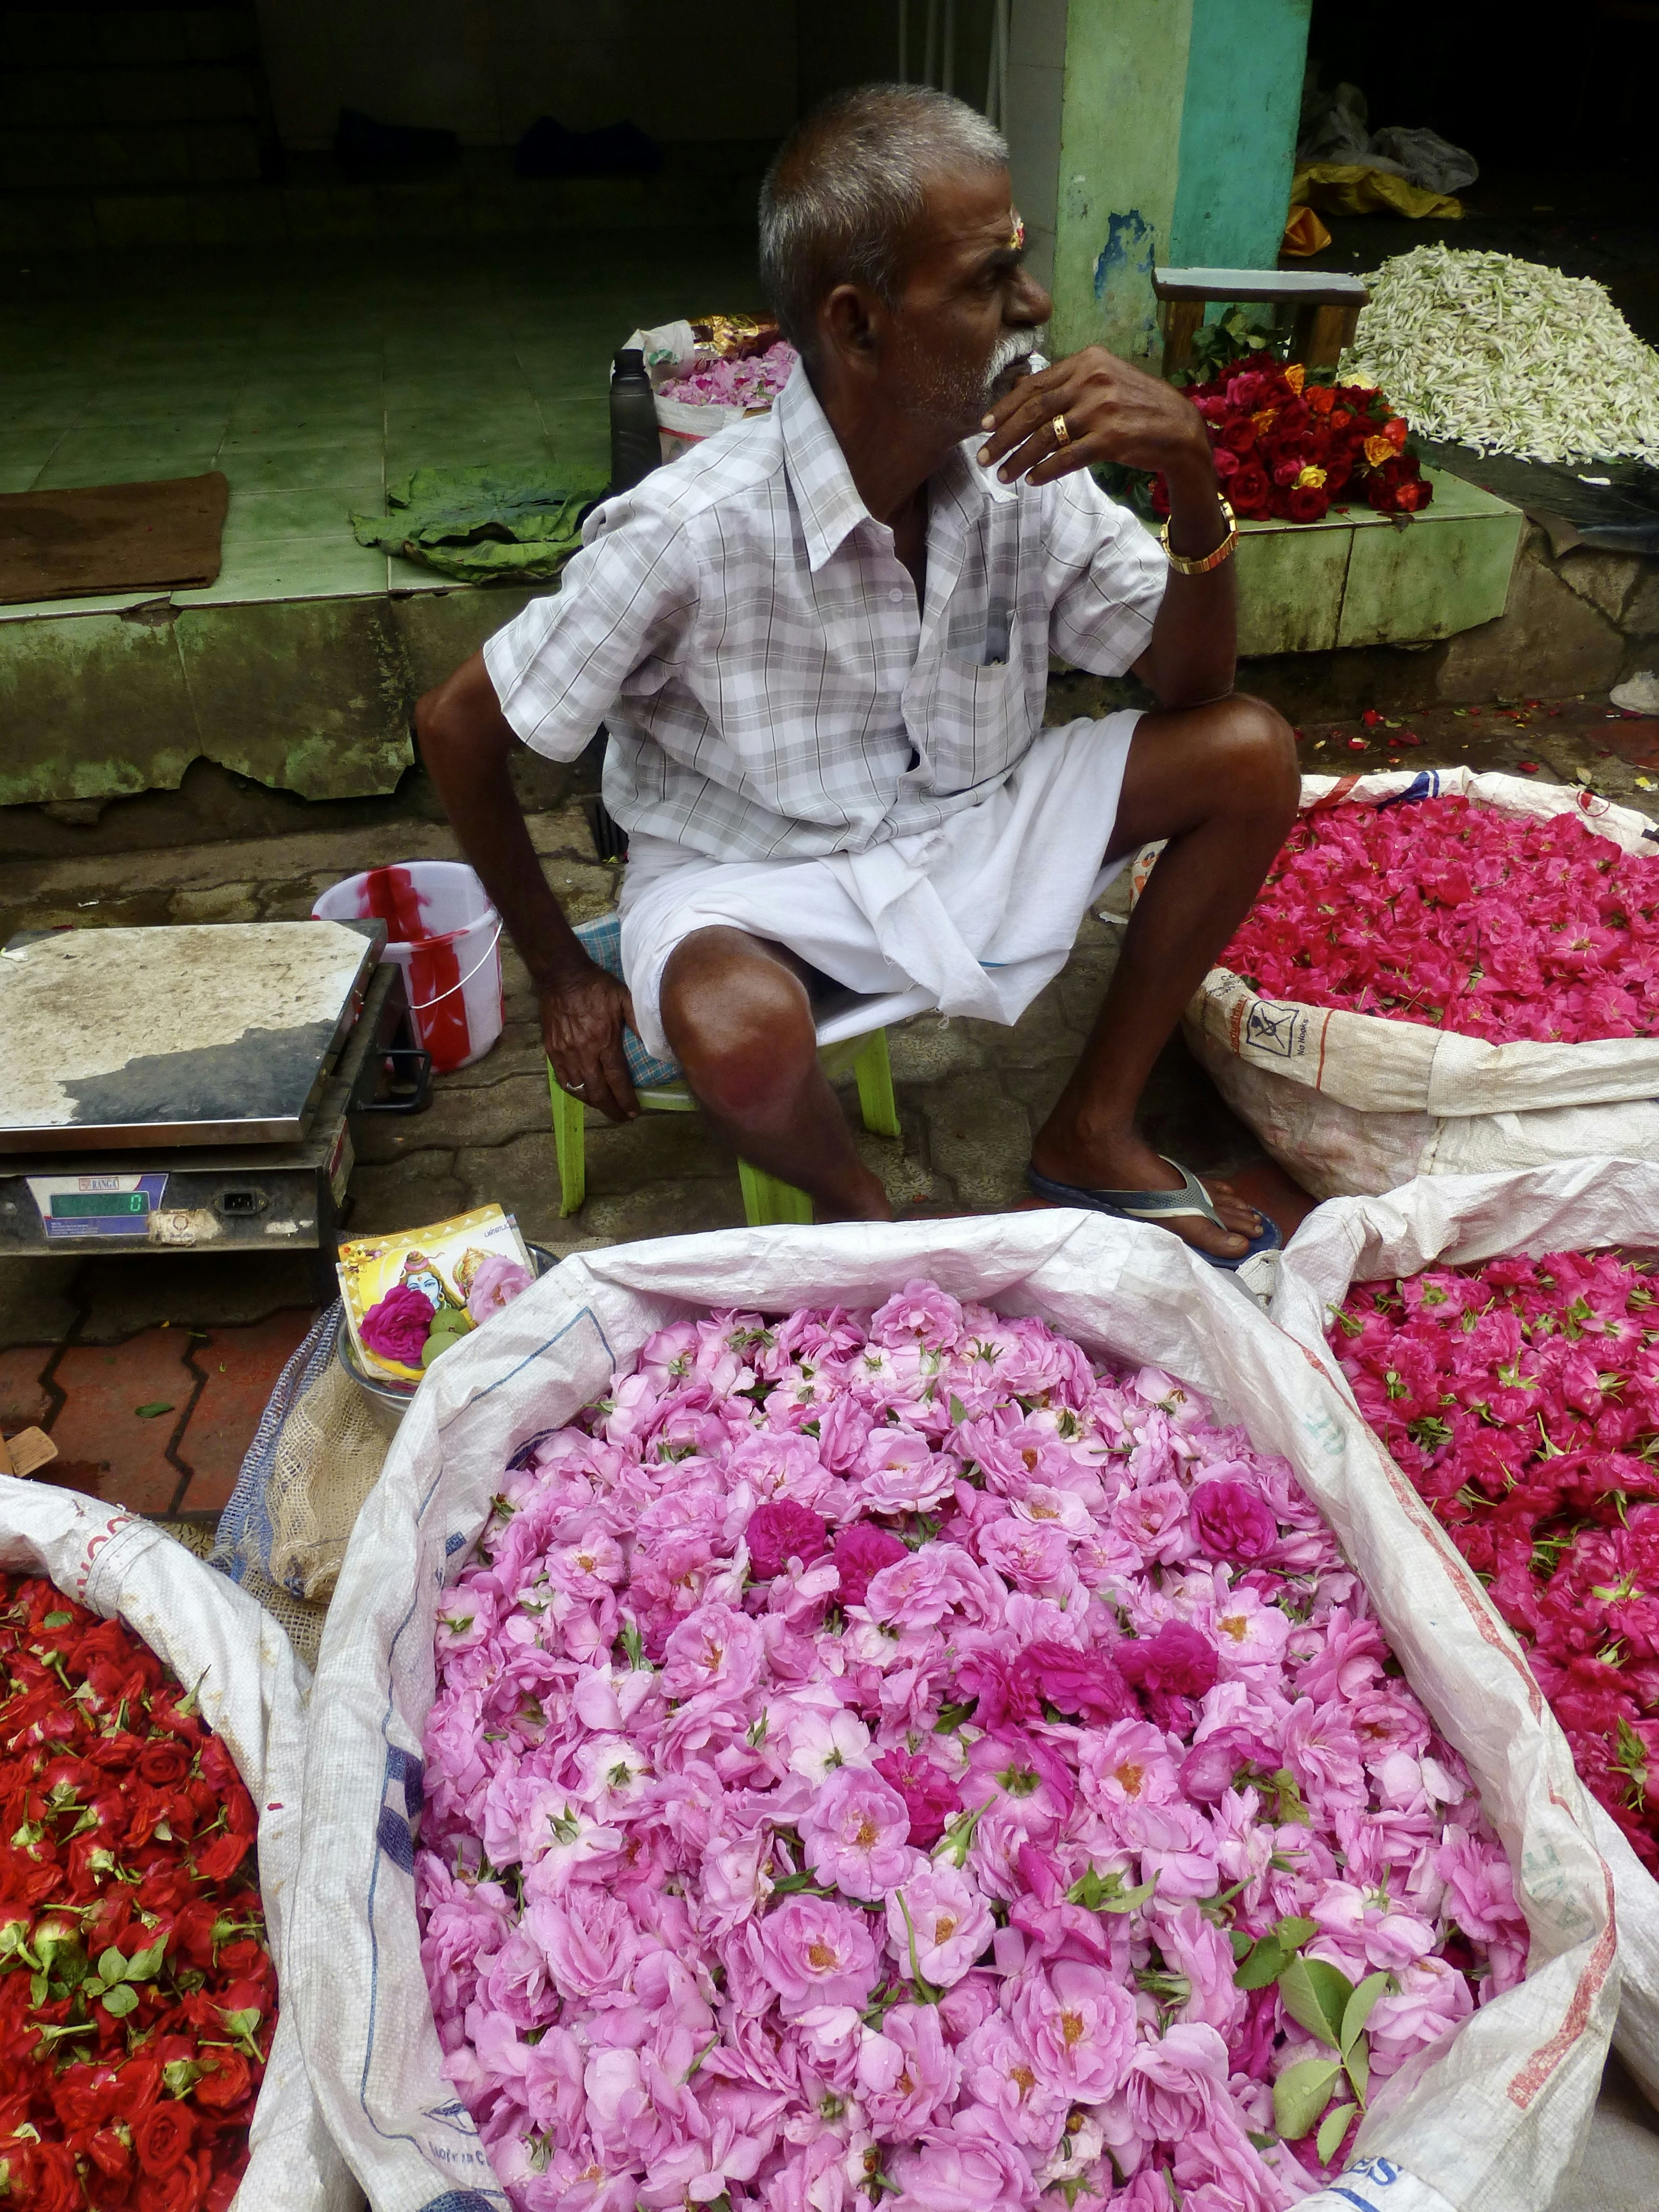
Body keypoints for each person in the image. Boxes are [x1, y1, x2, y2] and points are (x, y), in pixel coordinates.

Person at [416, 83, 1298, 1283]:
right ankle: (859, 1215)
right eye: (988, 281)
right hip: (755, 874)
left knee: (1249, 750)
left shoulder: (1023, 464)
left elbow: (1194, 683)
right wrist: (567, 975)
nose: (1034, 310)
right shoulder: (693, 526)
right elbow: (458, 724)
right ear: (858, 322)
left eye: (1018, 268)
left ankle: (1091, 1130)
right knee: (737, 1031)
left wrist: (1193, 480)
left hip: (966, 823)